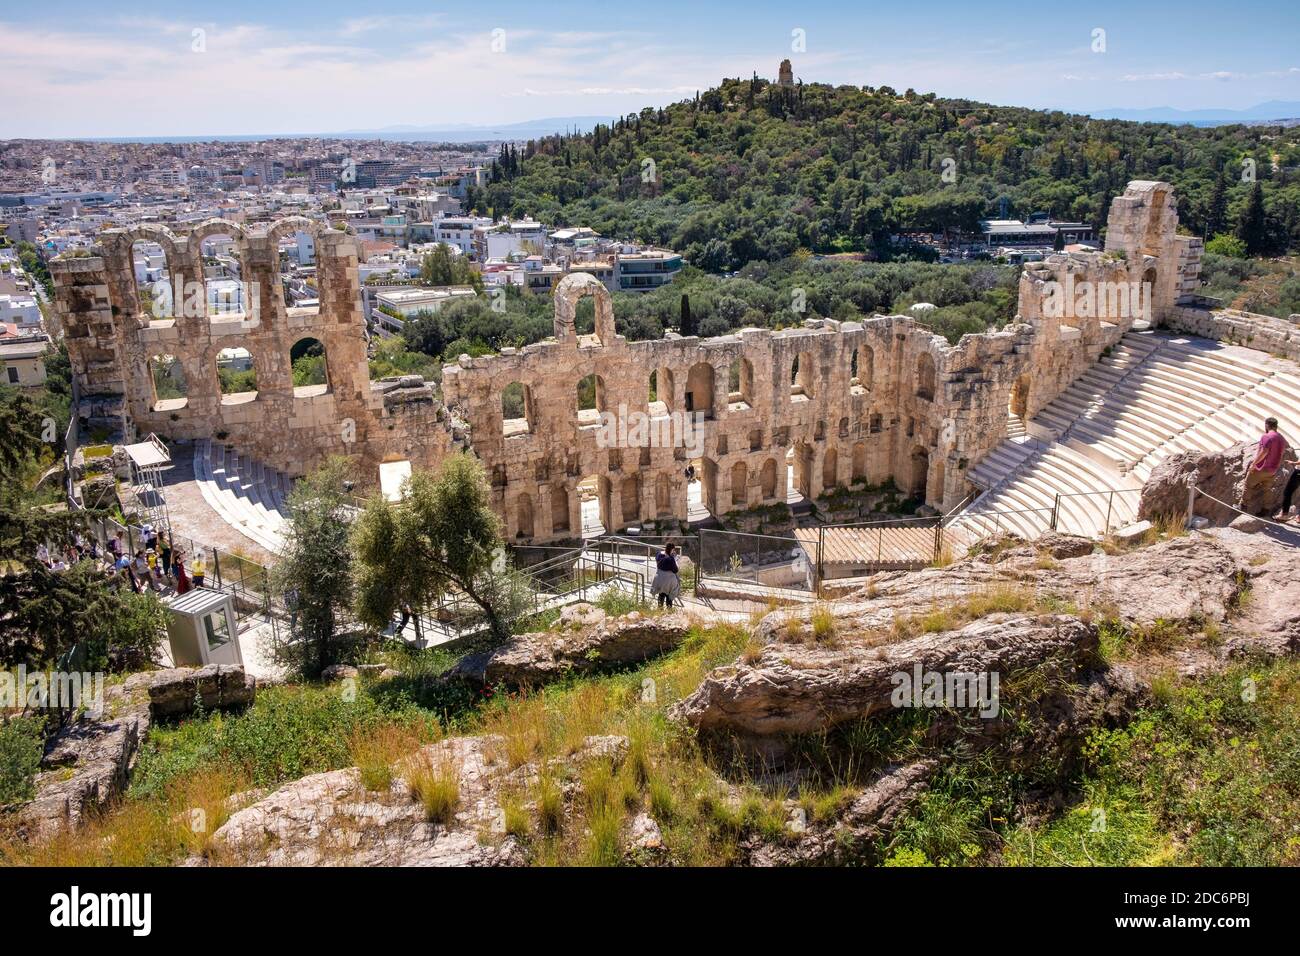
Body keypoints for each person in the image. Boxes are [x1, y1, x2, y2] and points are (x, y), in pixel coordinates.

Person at [1243, 418, 1289, 516]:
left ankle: (1243, 506)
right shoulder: (1281, 438)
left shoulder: (1267, 437)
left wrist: (1253, 464)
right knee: (1267, 490)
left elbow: (1264, 452)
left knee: (1248, 485)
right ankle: (1265, 510)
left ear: (1267, 425)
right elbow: (1282, 452)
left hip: (1262, 468)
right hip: (1273, 470)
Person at [653, 543, 682, 609]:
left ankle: (659, 609)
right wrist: (675, 561)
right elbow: (675, 570)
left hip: (659, 578)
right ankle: (669, 611)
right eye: (673, 550)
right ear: (672, 549)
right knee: (669, 596)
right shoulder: (671, 559)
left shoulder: (659, 555)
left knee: (661, 594)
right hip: (669, 581)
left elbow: (658, 561)